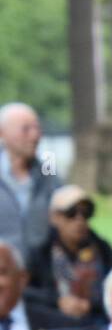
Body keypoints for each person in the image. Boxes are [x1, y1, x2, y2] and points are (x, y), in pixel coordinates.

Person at [24, 185, 112, 324]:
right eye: (71, 213)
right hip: (54, 326)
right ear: (54, 217)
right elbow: (24, 292)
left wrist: (90, 304)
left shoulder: (102, 249)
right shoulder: (41, 253)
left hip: (97, 324)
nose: (79, 220)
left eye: (86, 213)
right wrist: (57, 300)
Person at [0, 103, 60, 257]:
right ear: (2, 133)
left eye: (37, 128)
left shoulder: (48, 169)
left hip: (41, 275)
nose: (35, 136)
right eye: (25, 129)